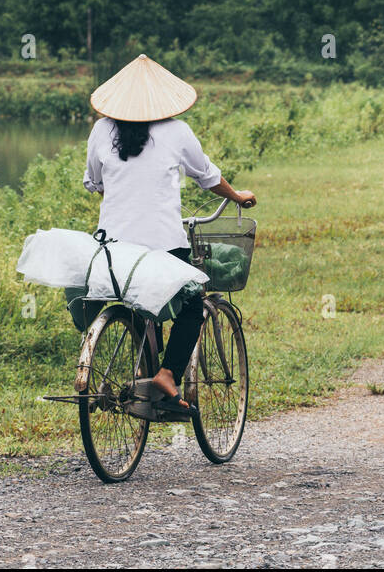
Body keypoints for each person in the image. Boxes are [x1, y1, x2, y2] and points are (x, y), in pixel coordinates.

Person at [83, 53, 256, 412]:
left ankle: (141, 369)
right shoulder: (176, 131)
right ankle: (165, 376)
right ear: (161, 100)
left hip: (112, 248)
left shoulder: (101, 129)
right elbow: (207, 176)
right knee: (192, 306)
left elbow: (94, 183)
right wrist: (237, 196)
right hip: (163, 245)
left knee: (135, 300)